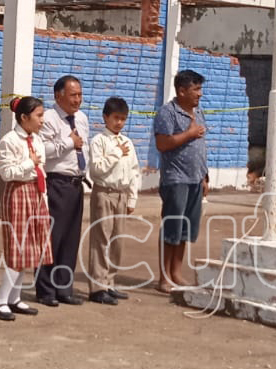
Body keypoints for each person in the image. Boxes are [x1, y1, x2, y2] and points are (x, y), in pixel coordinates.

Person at [0, 96, 48, 322]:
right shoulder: (9, 141)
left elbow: (41, 170)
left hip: (35, 194)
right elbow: (7, 173)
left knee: (29, 248)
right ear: (24, 117)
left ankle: (15, 298)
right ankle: (0, 301)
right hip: (17, 194)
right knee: (17, 248)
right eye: (38, 116)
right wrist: (30, 163)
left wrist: (43, 197)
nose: (42, 120)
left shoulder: (37, 139)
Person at [153, 69, 209, 293]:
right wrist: (189, 134)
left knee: (185, 229)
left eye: (200, 89)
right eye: (196, 89)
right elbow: (162, 144)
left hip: (195, 179)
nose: (200, 94)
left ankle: (176, 272)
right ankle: (164, 277)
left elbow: (201, 147)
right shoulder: (167, 113)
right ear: (182, 91)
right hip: (176, 179)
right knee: (172, 228)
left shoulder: (199, 112)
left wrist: (204, 176)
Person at [36, 75, 89, 306]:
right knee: (52, 238)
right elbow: (42, 150)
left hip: (76, 184)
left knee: (70, 239)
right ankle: (46, 290)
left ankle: (64, 288)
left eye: (80, 94)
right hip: (56, 183)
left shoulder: (82, 118)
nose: (77, 100)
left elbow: (85, 147)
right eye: (73, 95)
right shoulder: (48, 118)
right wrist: (69, 142)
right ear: (58, 96)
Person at [85, 97, 140, 305]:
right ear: (105, 117)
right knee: (101, 239)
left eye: (123, 119)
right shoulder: (99, 141)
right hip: (104, 193)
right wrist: (116, 153)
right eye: (116, 118)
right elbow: (97, 169)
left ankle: (109, 281)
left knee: (118, 240)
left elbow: (134, 171)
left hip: (121, 194)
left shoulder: (127, 142)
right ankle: (97, 286)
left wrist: (132, 198)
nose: (119, 123)